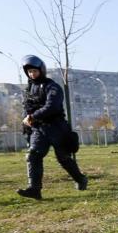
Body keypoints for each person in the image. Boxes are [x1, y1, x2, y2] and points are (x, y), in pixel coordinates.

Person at [18, 55, 87, 200]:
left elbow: (52, 106)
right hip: (39, 129)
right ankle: (34, 189)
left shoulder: (52, 86)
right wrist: (26, 123)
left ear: (41, 70)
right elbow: (27, 108)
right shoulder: (29, 89)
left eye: (34, 71)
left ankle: (80, 179)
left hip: (56, 127)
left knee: (63, 158)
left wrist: (33, 116)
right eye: (29, 71)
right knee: (33, 156)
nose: (32, 74)